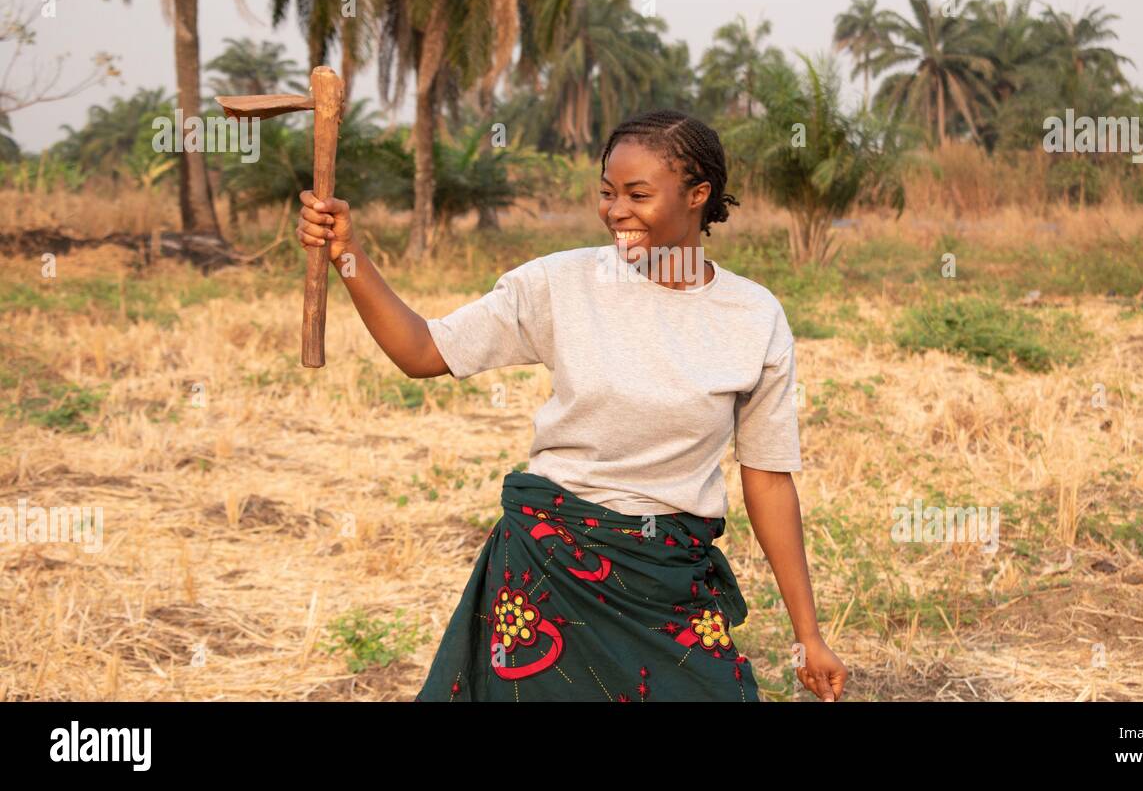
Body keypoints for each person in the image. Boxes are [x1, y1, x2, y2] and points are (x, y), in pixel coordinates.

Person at [297, 109, 848, 702]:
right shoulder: (560, 284)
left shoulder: (752, 315)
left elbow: (766, 477)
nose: (616, 211)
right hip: (548, 571)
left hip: (667, 576)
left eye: (638, 194)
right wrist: (347, 255)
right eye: (608, 193)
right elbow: (423, 350)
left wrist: (808, 634)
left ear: (698, 195)